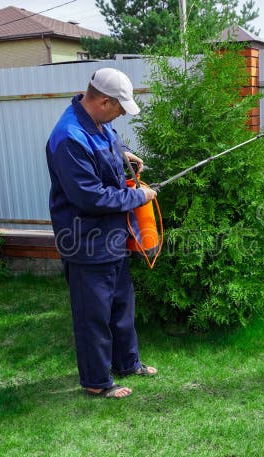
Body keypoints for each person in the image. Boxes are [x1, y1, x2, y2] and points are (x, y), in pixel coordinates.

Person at [46, 68, 158, 399]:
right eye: (120, 107)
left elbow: (109, 139)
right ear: (104, 101)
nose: (121, 114)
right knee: (93, 315)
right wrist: (139, 196)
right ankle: (97, 381)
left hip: (111, 236)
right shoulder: (69, 137)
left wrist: (124, 154)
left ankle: (127, 363)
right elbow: (90, 196)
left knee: (122, 304)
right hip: (84, 239)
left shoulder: (97, 122)